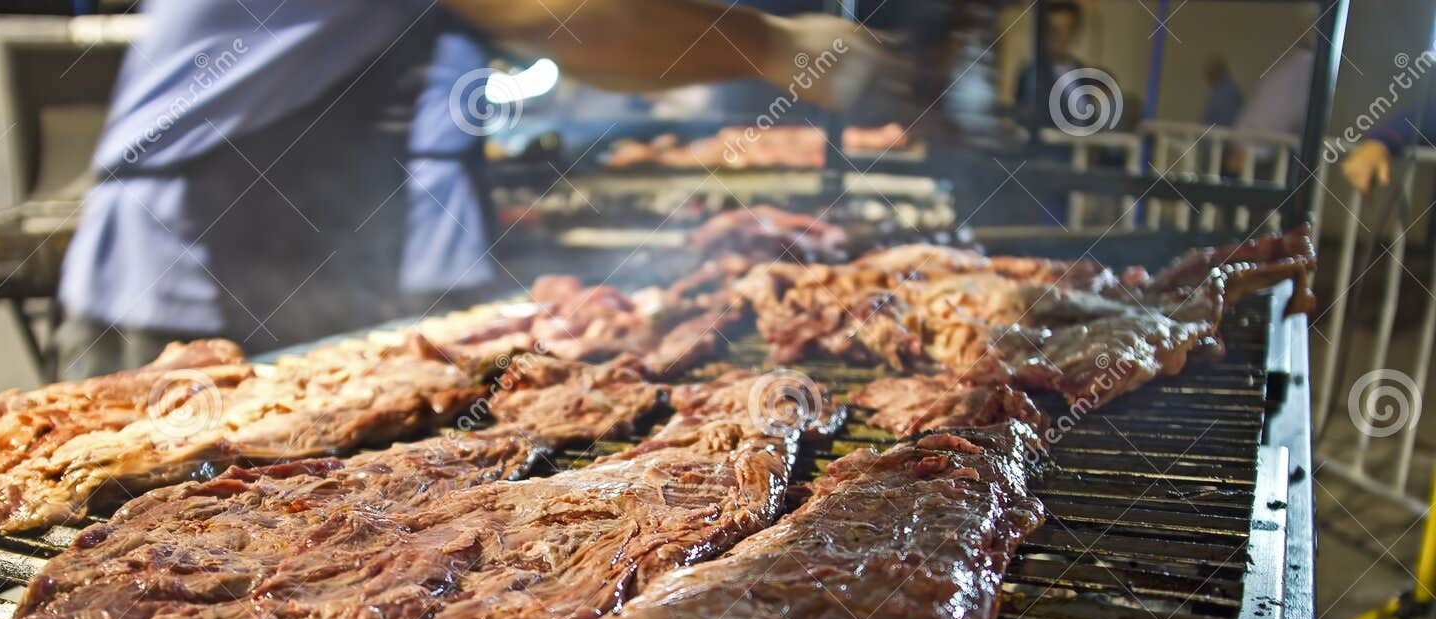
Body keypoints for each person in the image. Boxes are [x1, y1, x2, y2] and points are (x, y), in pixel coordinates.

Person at [56, 0, 907, 377]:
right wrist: (778, 43)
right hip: (190, 276)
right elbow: (552, 13)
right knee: (150, 595)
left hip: (327, 261)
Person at [1014, 0, 1089, 122]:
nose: (1061, 37)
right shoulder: (1031, 73)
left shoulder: (1083, 71)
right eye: (1054, 30)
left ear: (1075, 32)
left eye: (1067, 30)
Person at [1202, 55, 1243, 127]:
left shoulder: (1226, 93)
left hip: (1219, 135)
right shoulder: (1225, 90)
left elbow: (1222, 122)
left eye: (1209, 74)